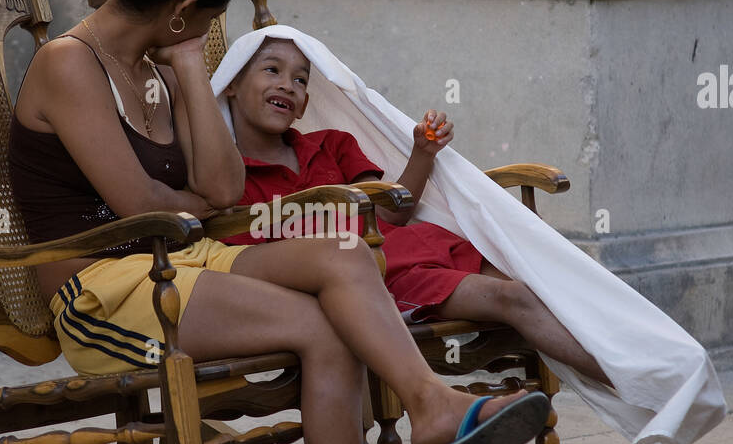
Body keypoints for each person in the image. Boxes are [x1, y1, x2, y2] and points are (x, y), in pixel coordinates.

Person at [7, 0, 551, 444]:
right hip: (101, 292)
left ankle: (429, 408)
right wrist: (189, 204)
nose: (212, 32)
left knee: (343, 255)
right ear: (181, 12)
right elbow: (143, 206)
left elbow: (223, 188)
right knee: (322, 326)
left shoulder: (163, 69)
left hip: (180, 265)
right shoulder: (67, 65)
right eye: (210, 20)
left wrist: (191, 68)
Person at [219, 35, 612, 389]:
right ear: (232, 84)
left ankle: (646, 360)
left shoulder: (331, 145)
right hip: (385, 277)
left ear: (305, 104)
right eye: (272, 70)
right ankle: (634, 384)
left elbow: (390, 213)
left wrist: (422, 153)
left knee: (546, 280)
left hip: (427, 242)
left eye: (301, 79)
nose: (288, 84)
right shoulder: (226, 181)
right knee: (516, 298)